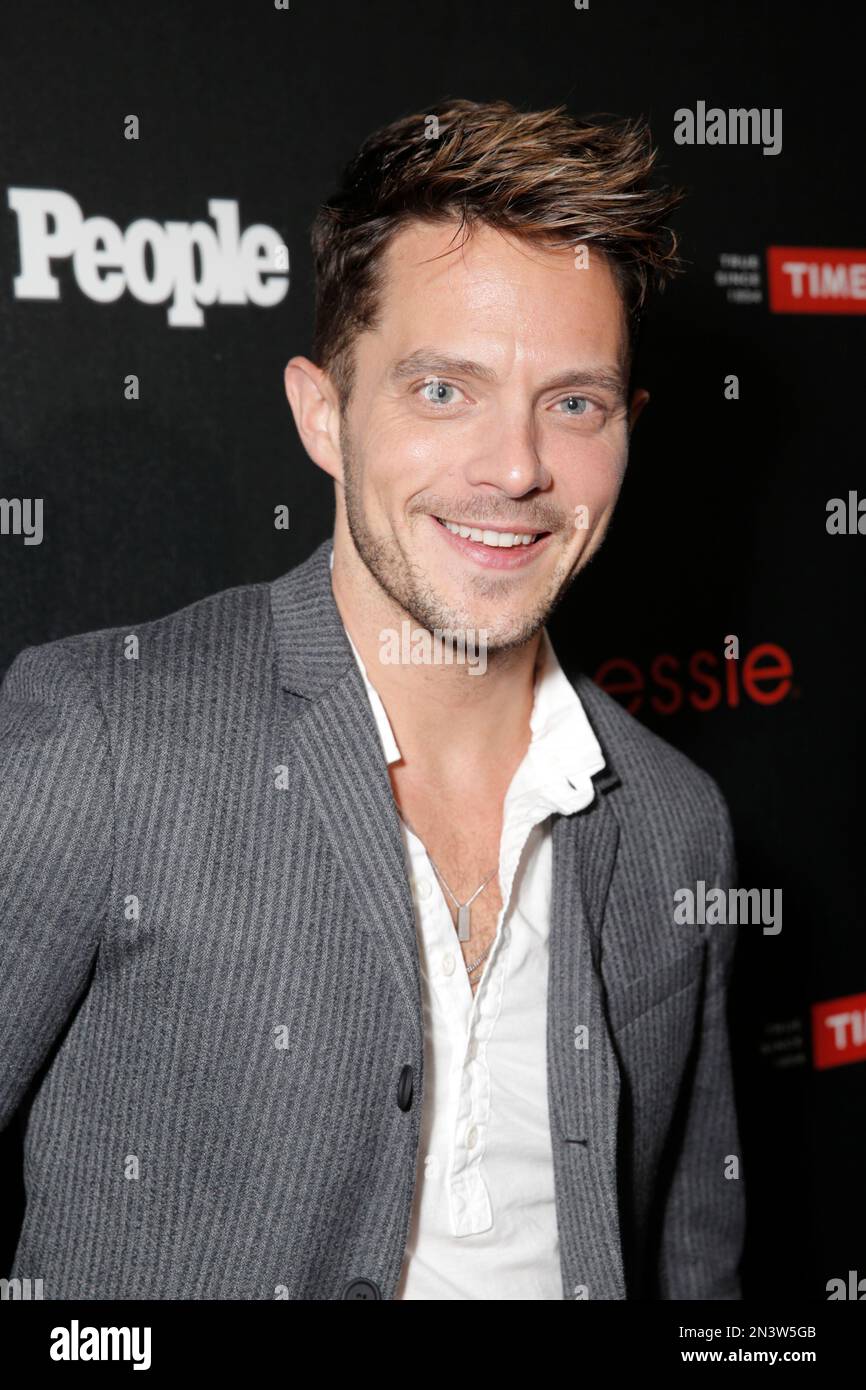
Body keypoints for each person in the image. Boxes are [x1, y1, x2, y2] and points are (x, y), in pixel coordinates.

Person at [0, 98, 744, 1300]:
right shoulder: (102, 736)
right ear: (322, 413)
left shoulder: (673, 820)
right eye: (441, 390)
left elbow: (691, 1259)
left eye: (573, 403)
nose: (514, 467)